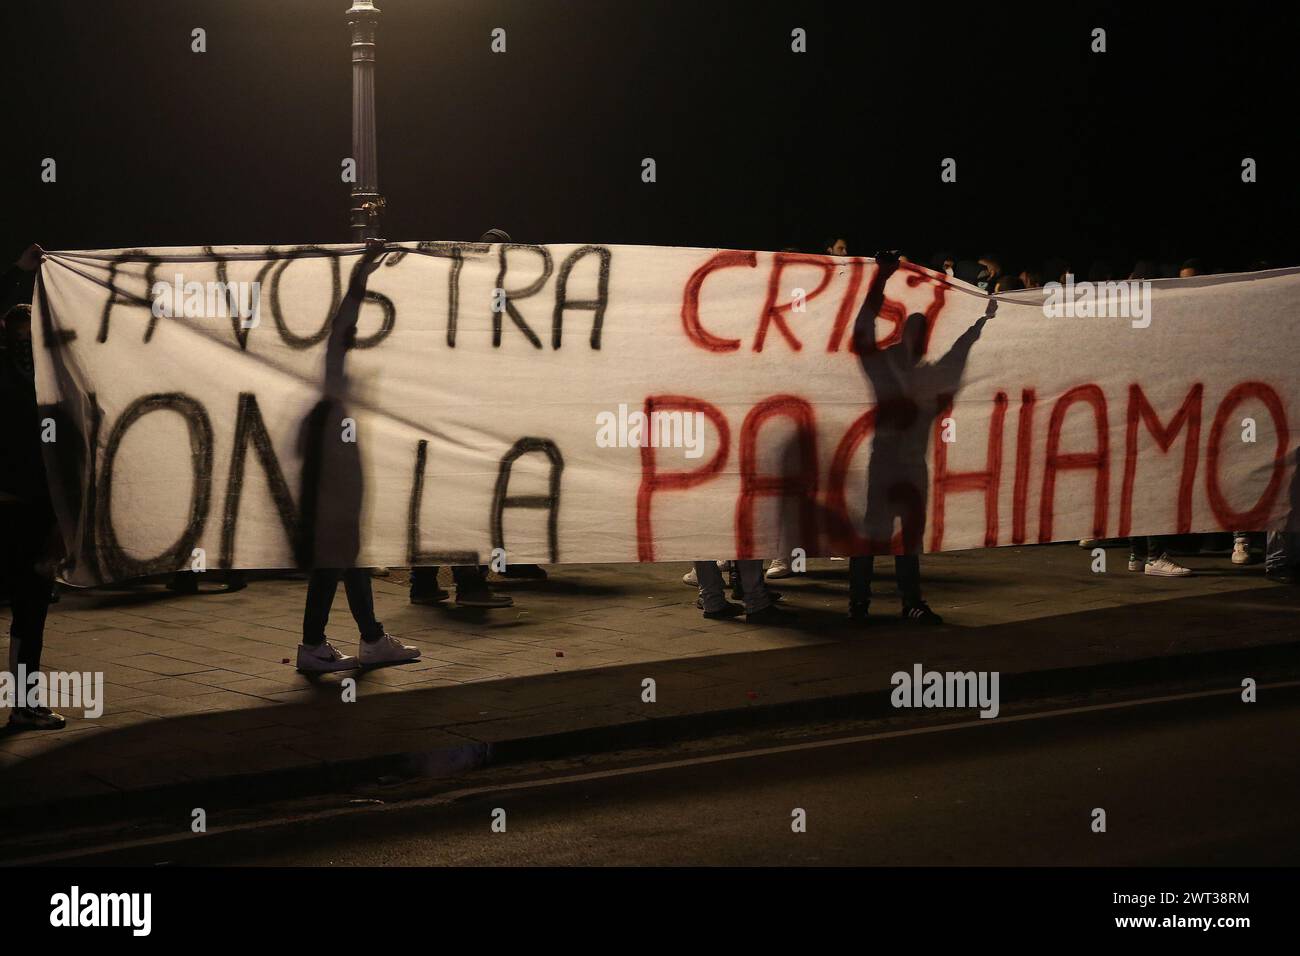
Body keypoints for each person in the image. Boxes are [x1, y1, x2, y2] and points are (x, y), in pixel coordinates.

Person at [846, 251, 994, 624]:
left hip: (902, 468)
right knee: (882, 537)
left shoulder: (912, 375)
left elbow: (959, 352)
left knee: (899, 539)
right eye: (919, 333)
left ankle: (874, 604)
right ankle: (874, 603)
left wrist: (981, 323)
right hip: (897, 468)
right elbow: (863, 330)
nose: (923, 341)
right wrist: (881, 276)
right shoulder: (897, 373)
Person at [297, 241, 420, 672]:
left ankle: (360, 639)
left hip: (336, 503)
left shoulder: (330, 405)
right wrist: (362, 274)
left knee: (344, 565)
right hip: (336, 504)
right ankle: (332, 643)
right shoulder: (331, 397)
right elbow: (340, 331)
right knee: (338, 564)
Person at [1, 298, 66, 729]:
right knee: (29, 607)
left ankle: (23, 702)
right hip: (30, 507)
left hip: (26, 505)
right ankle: (24, 705)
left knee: (29, 609)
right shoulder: (41, 385)